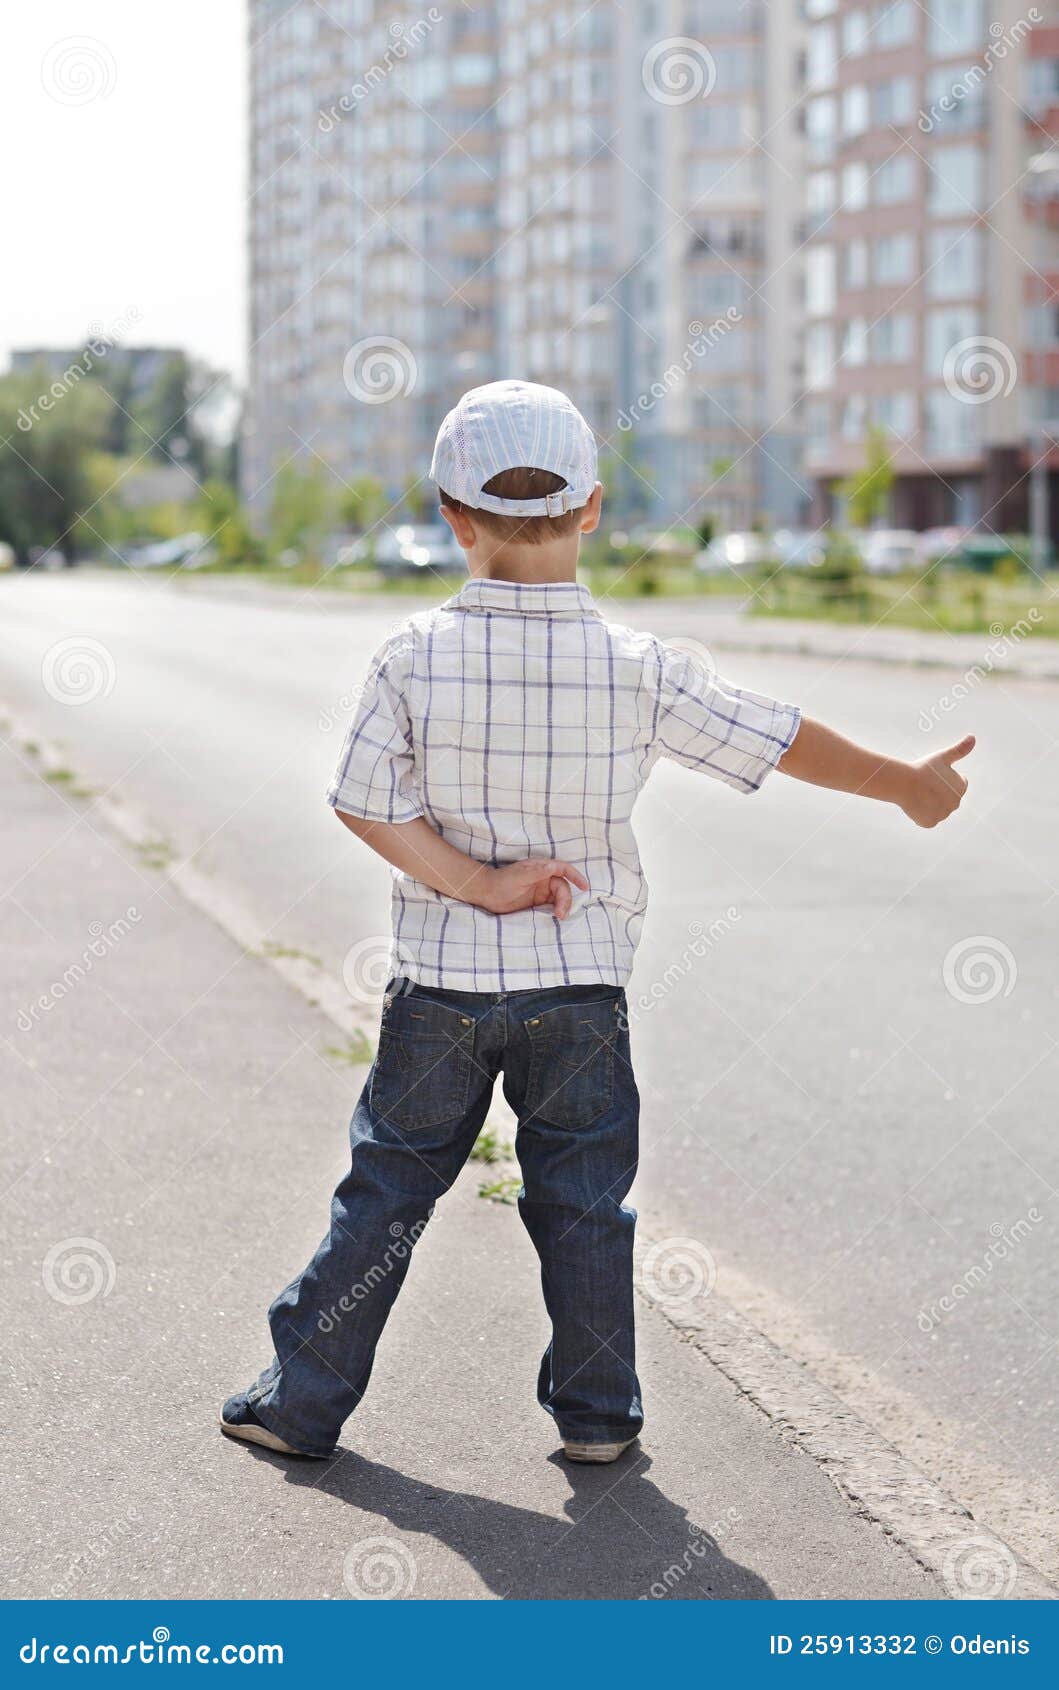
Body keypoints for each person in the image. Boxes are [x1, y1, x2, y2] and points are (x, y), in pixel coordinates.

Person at [221, 380, 973, 1463]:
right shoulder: (638, 667)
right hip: (580, 990)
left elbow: (361, 798)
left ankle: (301, 1403)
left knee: (387, 1190)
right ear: (592, 509)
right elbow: (776, 737)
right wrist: (902, 779)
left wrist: (474, 885)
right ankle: (597, 1416)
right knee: (582, 1202)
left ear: (450, 516)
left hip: (440, 986)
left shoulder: (411, 655)